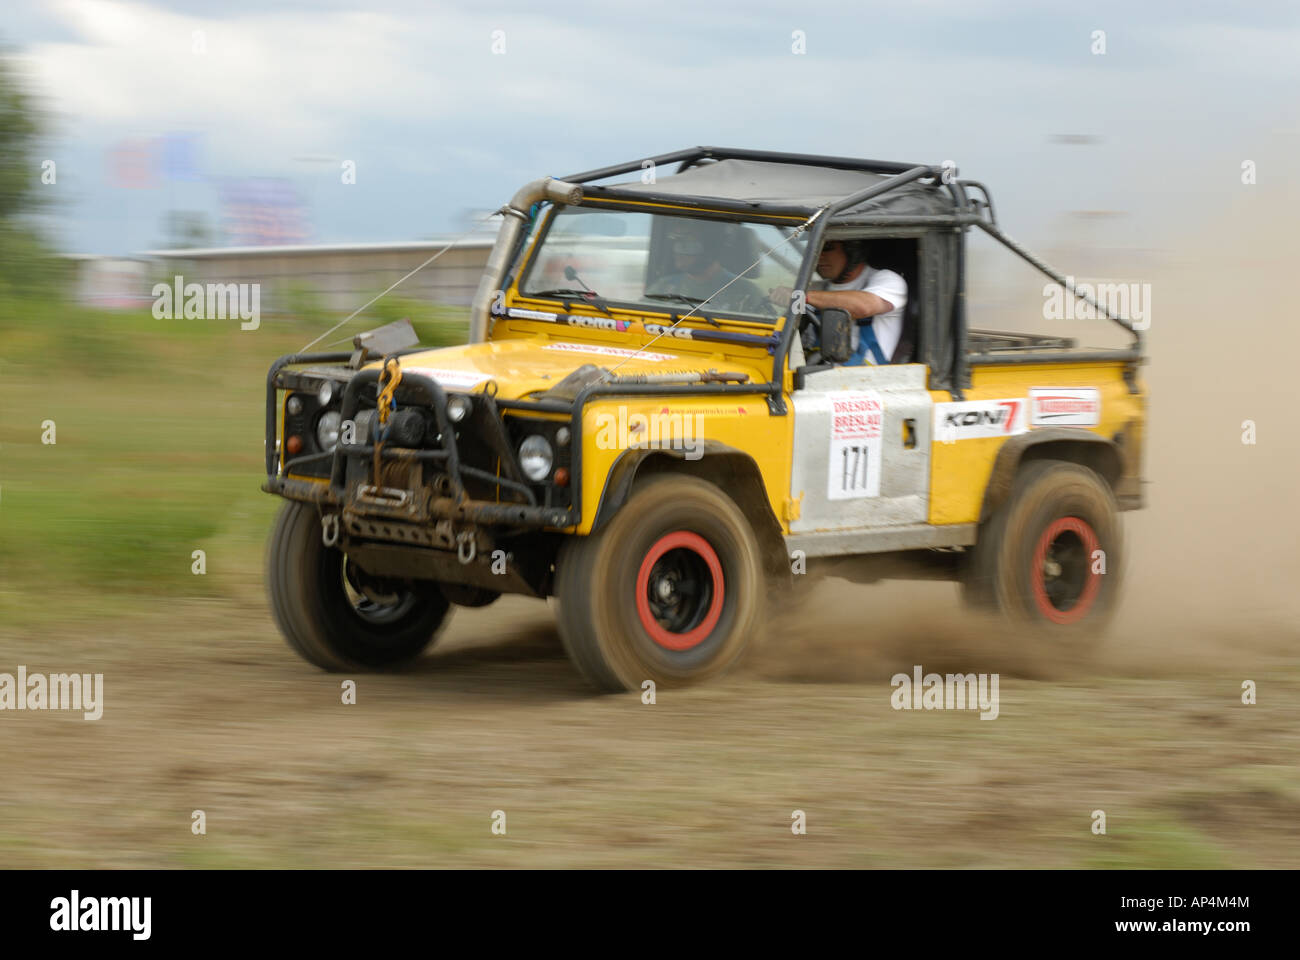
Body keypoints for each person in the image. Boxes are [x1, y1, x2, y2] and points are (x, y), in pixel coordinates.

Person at [773, 240, 908, 364]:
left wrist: (802, 296)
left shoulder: (888, 281)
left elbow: (863, 307)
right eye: (816, 248)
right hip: (815, 373)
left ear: (852, 250)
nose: (819, 255)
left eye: (827, 248)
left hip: (864, 382)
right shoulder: (816, 289)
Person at [647, 220, 771, 315]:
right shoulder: (662, 288)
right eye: (676, 243)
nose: (678, 252)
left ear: (710, 250)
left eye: (687, 245)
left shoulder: (746, 293)